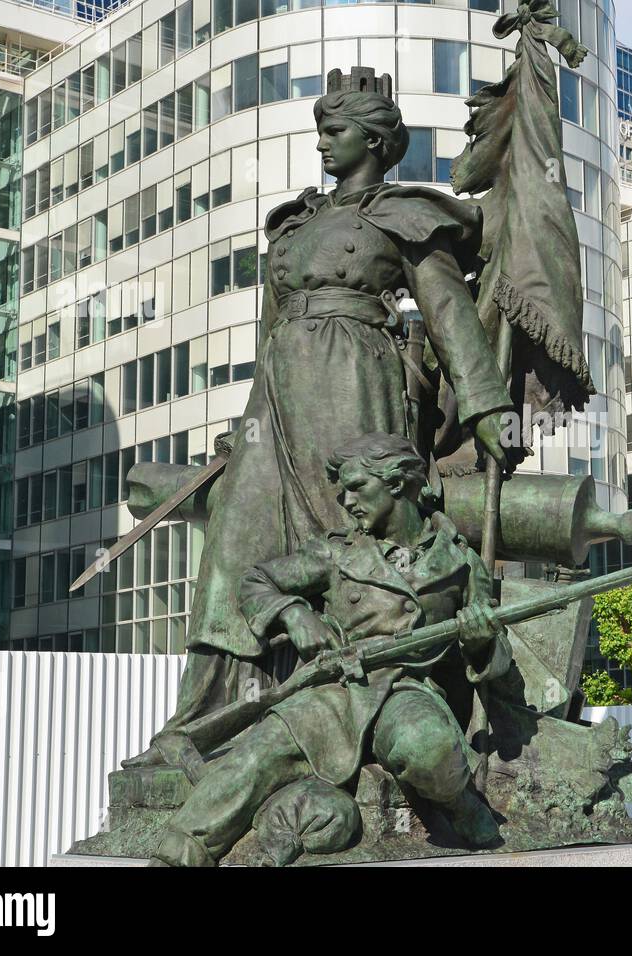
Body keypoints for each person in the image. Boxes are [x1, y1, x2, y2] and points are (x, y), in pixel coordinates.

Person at [125, 70, 513, 767]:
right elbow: (267, 338)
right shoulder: (293, 225)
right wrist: (241, 430)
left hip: (356, 381)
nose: (322, 146)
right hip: (278, 396)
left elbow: (448, 312)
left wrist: (486, 405)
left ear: (374, 139)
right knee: (232, 545)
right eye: (320, 132)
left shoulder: (403, 214)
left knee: (347, 535)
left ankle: (349, 708)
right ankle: (205, 717)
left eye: (334, 133)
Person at [150, 433, 509, 866]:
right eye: (343, 490)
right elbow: (256, 581)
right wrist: (294, 613)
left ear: (396, 484)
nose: (347, 501)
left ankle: (460, 804)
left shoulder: (460, 562)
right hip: (334, 691)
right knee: (250, 761)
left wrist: (481, 640)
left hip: (407, 691)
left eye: (357, 487)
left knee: (428, 746)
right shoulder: (338, 552)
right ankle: (177, 857)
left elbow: (497, 654)